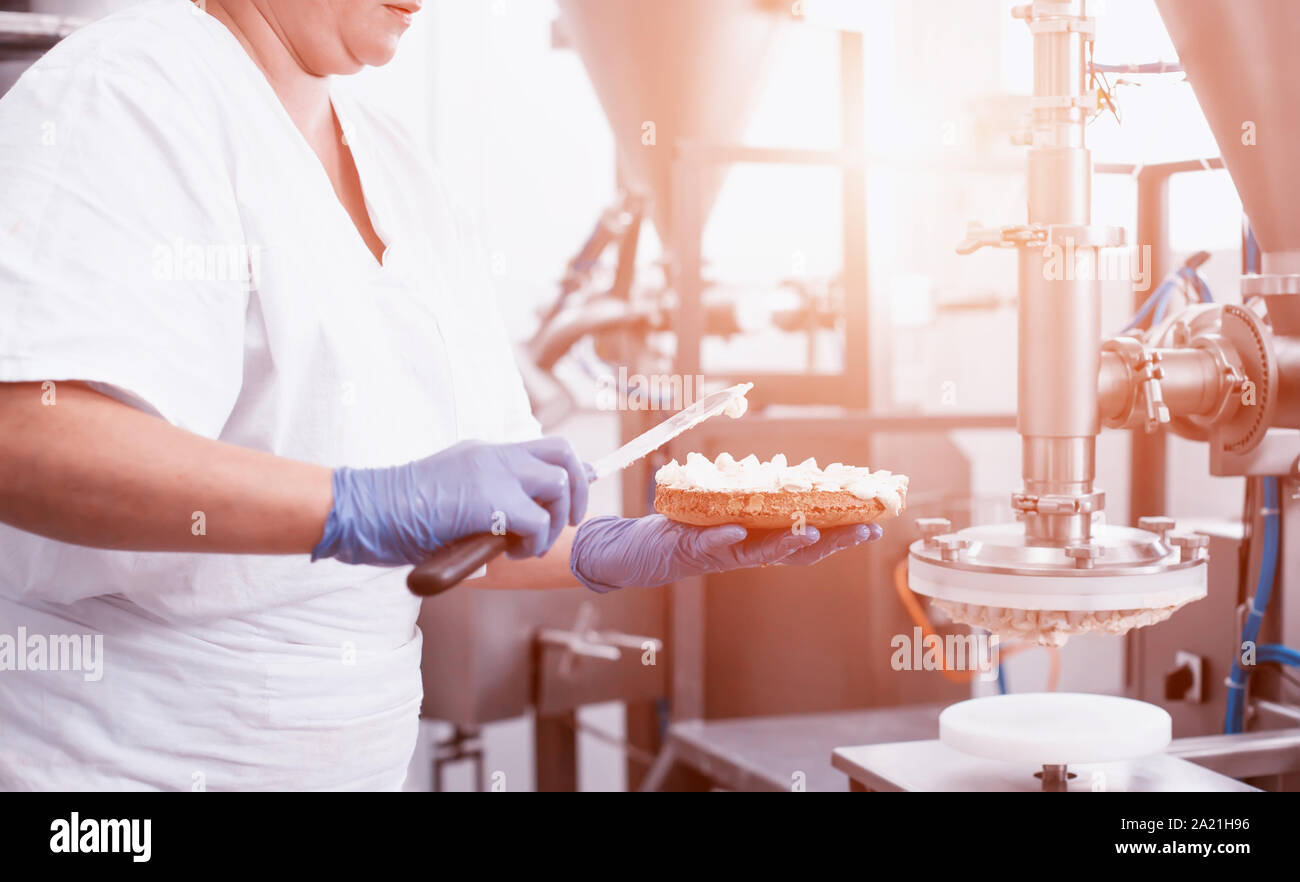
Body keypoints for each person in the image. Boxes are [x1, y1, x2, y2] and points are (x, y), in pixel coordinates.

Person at [0, 0, 881, 790]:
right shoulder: (128, 91)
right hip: (124, 774)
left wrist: (616, 548)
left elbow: (476, 518)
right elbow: (32, 441)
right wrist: (357, 503)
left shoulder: (401, 172)